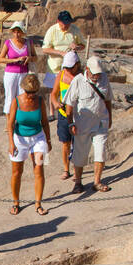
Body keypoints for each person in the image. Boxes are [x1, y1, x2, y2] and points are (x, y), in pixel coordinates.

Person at [64, 56, 114, 192]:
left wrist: (109, 117)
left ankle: (97, 181)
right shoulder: (78, 81)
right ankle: (78, 182)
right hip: (82, 124)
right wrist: (70, 123)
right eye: (94, 73)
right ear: (87, 69)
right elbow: (69, 104)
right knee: (80, 154)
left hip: (100, 122)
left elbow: (108, 99)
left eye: (98, 73)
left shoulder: (104, 79)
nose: (96, 76)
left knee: (101, 152)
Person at [7, 73, 52, 215]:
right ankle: (15, 201)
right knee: (17, 172)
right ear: (23, 90)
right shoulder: (17, 101)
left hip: (37, 138)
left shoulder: (40, 101)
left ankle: (38, 203)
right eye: (28, 92)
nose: (31, 95)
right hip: (20, 138)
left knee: (39, 169)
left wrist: (48, 140)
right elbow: (10, 124)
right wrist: (11, 143)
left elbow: (45, 122)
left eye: (33, 92)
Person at [51, 51, 82, 182]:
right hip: (64, 113)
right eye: (66, 67)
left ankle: (77, 170)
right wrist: (56, 104)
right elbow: (53, 94)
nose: (68, 70)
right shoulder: (62, 74)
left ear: (77, 65)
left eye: (70, 67)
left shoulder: (82, 76)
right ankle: (66, 169)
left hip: (78, 113)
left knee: (78, 143)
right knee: (65, 143)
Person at [0, 22, 34, 118]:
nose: (17, 34)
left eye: (19, 32)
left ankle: (20, 120)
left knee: (23, 96)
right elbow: (0, 59)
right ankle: (9, 122)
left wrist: (29, 58)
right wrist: (15, 60)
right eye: (15, 32)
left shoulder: (28, 43)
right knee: (10, 97)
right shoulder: (8, 43)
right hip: (11, 73)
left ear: (22, 32)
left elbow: (35, 57)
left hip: (24, 73)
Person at [40, 10, 85, 88]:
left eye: (68, 23)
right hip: (55, 68)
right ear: (58, 21)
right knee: (53, 91)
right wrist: (61, 53)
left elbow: (83, 45)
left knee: (68, 92)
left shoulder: (75, 29)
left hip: (71, 69)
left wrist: (77, 47)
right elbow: (45, 49)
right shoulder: (52, 30)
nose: (66, 25)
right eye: (64, 23)